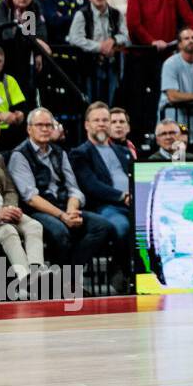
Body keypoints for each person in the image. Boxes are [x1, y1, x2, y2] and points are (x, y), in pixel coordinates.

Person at [8, 107, 115, 288]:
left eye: (49, 125)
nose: (45, 129)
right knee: (60, 233)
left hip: (64, 206)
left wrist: (72, 210)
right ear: (29, 129)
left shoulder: (60, 152)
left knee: (102, 226)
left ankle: (67, 280)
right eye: (39, 125)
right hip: (37, 211)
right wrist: (62, 216)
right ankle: (63, 285)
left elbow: (74, 188)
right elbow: (30, 197)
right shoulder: (19, 155)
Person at [69, 102, 134, 291]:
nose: (101, 124)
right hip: (104, 207)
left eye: (105, 120)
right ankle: (118, 269)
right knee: (122, 227)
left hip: (132, 204)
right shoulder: (79, 153)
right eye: (96, 120)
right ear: (87, 125)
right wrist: (123, 196)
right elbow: (91, 185)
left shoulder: (124, 151)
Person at [0, 109, 44, 285]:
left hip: (3, 209)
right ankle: (26, 281)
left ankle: (36, 273)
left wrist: (9, 207)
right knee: (7, 231)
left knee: (34, 226)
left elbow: (10, 189)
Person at [67, 0, 129, 104]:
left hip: (112, 65)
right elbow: (74, 38)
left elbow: (126, 36)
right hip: (89, 66)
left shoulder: (116, 14)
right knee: (91, 103)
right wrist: (99, 47)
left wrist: (113, 40)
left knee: (111, 102)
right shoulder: (82, 14)